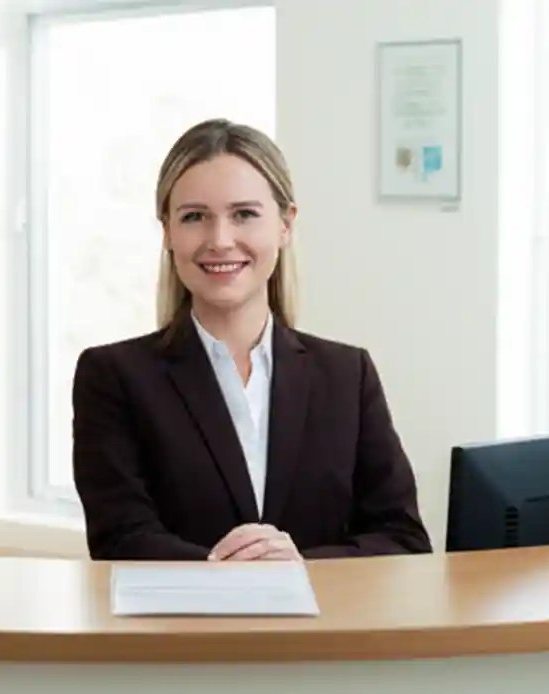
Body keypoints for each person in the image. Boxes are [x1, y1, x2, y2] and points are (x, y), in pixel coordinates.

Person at [72, 119, 432, 561]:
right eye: (194, 217)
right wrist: (227, 574)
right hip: (180, 628)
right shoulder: (113, 377)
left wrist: (298, 566)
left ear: (285, 224)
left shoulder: (347, 375)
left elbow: (402, 540)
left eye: (244, 214)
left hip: (325, 628)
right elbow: (120, 539)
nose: (220, 240)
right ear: (167, 231)